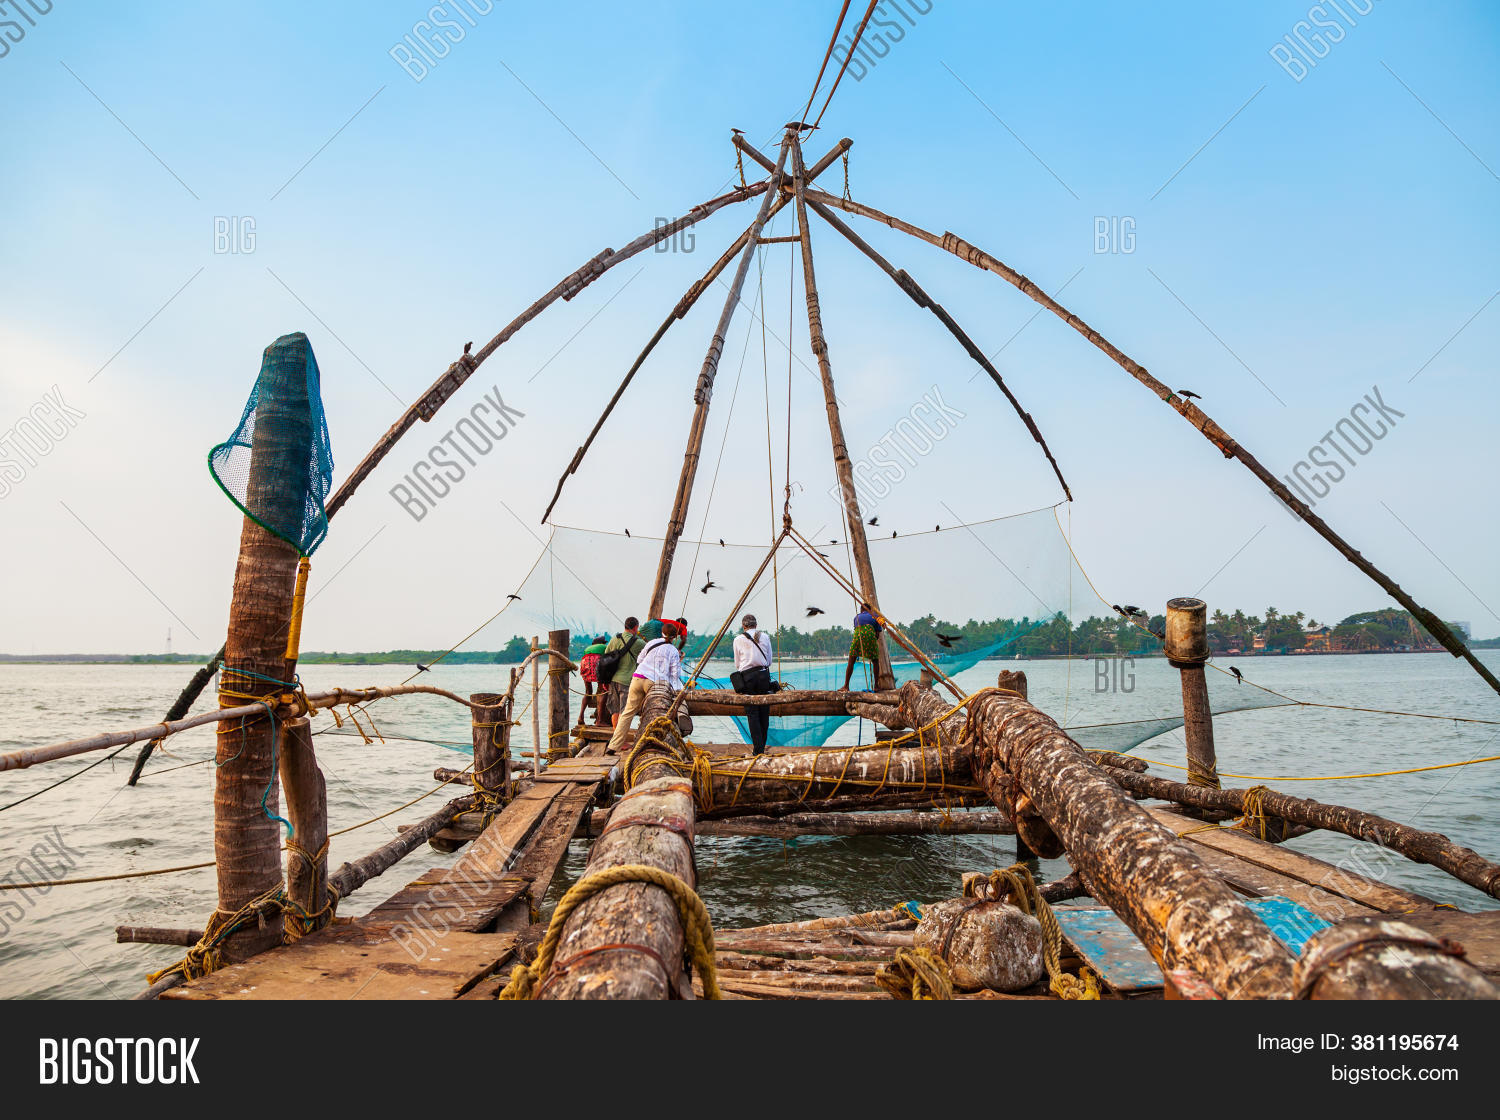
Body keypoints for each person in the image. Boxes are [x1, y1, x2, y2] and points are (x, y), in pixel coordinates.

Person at [607, 620, 684, 753]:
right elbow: (675, 674)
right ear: (675, 637)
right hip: (654, 682)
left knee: (627, 713)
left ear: (662, 633)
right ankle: (650, 744)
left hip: (638, 677)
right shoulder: (673, 650)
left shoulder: (651, 643)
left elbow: (639, 660)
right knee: (654, 712)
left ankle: (613, 746)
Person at [731, 613, 774, 754]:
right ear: (756, 625)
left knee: (752, 714)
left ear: (744, 626)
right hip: (763, 676)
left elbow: (737, 664)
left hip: (747, 678)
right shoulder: (765, 637)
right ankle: (760, 748)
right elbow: (769, 661)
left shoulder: (738, 639)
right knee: (764, 711)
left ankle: (758, 749)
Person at [600, 617, 643, 727]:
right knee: (624, 712)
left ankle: (615, 735)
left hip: (613, 679)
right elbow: (651, 650)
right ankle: (620, 741)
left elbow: (606, 656)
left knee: (615, 710)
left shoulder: (615, 638)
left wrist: (605, 680)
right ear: (636, 627)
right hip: (626, 681)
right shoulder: (638, 642)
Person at [842, 601, 882, 691]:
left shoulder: (856, 617)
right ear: (870, 610)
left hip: (858, 638)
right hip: (870, 637)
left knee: (851, 662)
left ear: (861, 610)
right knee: (875, 661)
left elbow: (857, 629)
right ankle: (876, 686)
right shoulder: (875, 616)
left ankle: (846, 686)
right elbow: (877, 635)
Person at [578, 634, 609, 726]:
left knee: (588, 691)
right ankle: (599, 721)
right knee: (602, 691)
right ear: (603, 643)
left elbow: (585, 659)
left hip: (584, 662)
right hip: (597, 660)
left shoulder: (588, 648)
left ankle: (580, 717)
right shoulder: (605, 647)